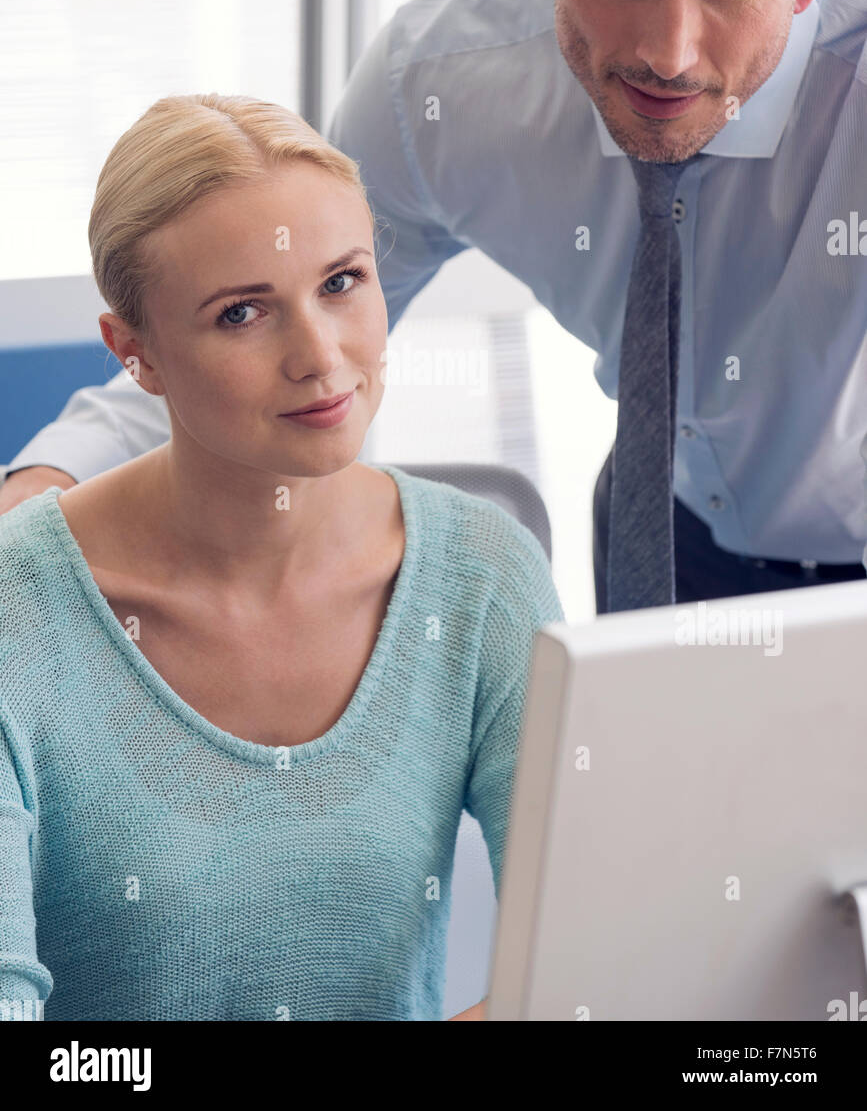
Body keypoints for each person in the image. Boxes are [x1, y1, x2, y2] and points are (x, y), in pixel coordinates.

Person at [2, 0, 865, 609]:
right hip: (664, 522)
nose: (668, 53)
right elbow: (254, 323)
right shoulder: (440, 87)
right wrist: (45, 487)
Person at [0, 93, 563, 1021]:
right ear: (134, 352)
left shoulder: (484, 576)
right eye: (241, 314)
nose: (319, 356)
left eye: (341, 283)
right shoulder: (21, 617)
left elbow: (584, 967)